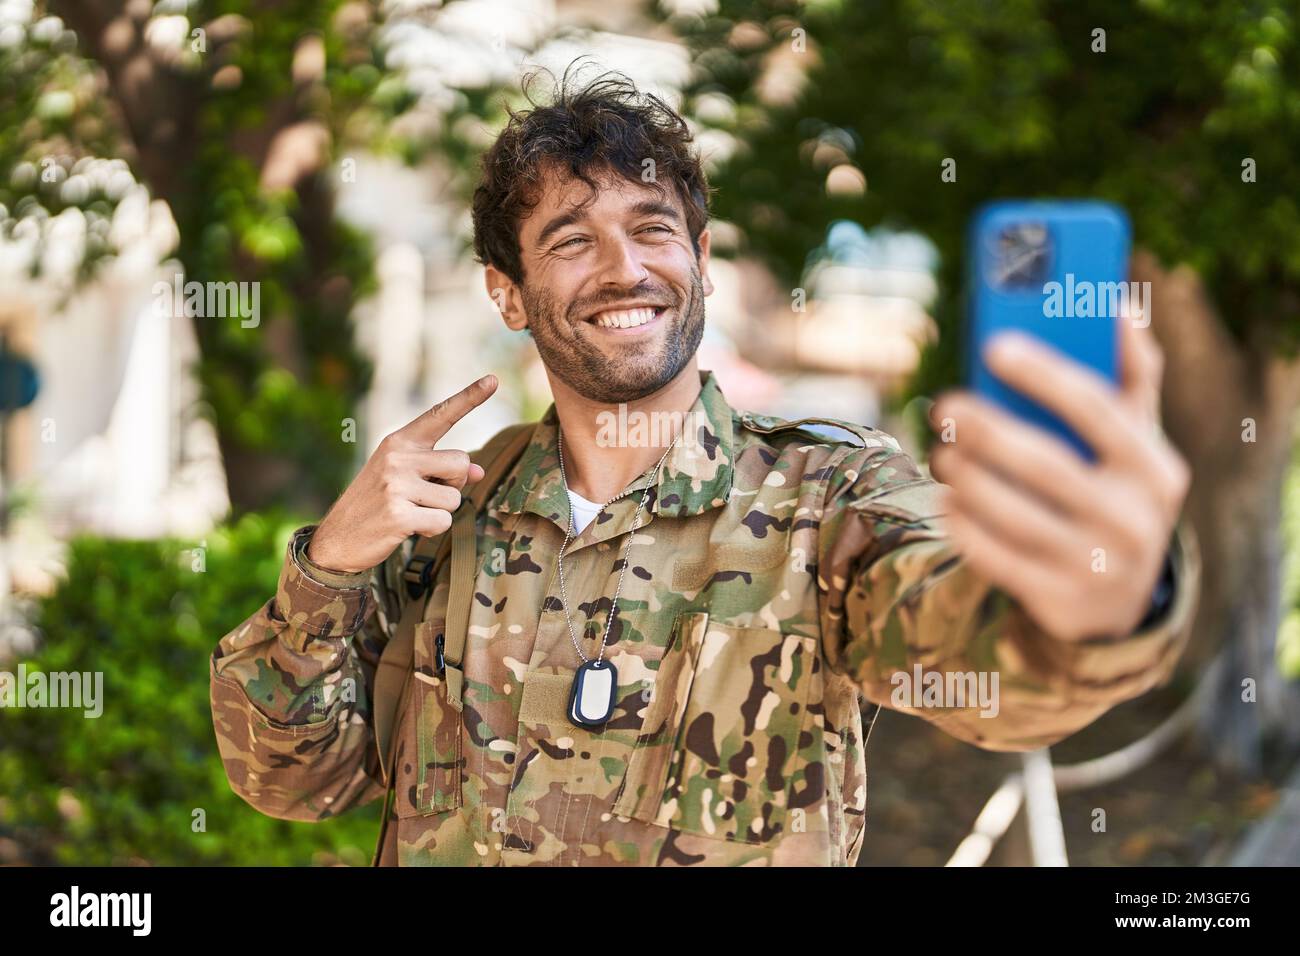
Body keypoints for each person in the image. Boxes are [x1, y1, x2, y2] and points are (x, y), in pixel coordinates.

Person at [209, 65, 1199, 867]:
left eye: (652, 227)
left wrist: (1094, 597)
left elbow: (976, 668)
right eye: (570, 240)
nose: (623, 266)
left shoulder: (830, 497)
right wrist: (328, 565)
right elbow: (296, 779)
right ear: (506, 293)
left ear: (702, 262)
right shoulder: (446, 511)